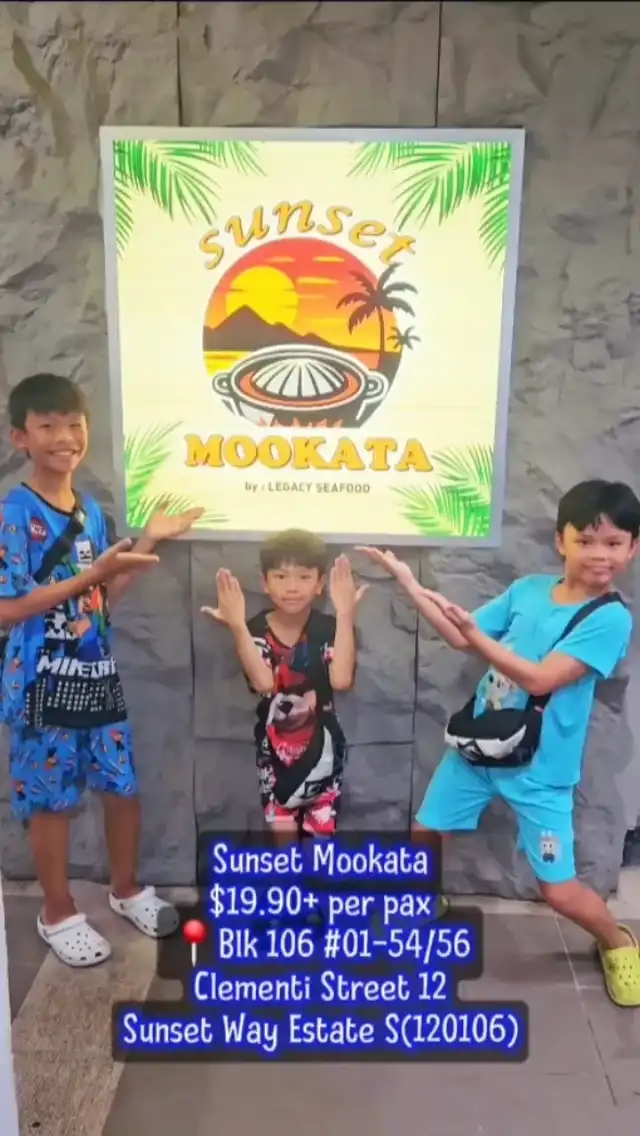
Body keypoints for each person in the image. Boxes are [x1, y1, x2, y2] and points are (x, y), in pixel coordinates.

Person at [358, 479, 640, 1007]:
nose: (599, 554)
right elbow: (457, 634)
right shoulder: (529, 590)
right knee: (426, 831)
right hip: (478, 748)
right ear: (561, 541)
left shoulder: (610, 619)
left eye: (613, 542)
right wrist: (409, 584)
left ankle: (618, 941)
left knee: (558, 890)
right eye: (585, 540)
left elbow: (539, 678)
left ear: (632, 548)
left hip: (541, 772)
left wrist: (476, 636)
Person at [0, 373, 202, 967]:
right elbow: (8, 607)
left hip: (97, 674)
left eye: (74, 424)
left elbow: (101, 598)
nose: (65, 437)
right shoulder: (12, 513)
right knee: (51, 799)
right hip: (41, 681)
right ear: (20, 437)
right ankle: (57, 912)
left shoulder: (90, 511)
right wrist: (90, 577)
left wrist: (147, 542)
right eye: (48, 426)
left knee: (121, 785)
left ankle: (126, 888)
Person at [202, 529, 365, 843]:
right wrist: (238, 627)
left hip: (325, 754)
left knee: (319, 849)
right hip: (274, 758)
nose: (292, 587)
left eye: (304, 577)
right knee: (283, 845)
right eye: (280, 576)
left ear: (320, 584)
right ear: (265, 582)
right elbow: (264, 683)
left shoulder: (328, 628)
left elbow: (342, 680)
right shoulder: (255, 630)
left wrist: (345, 615)